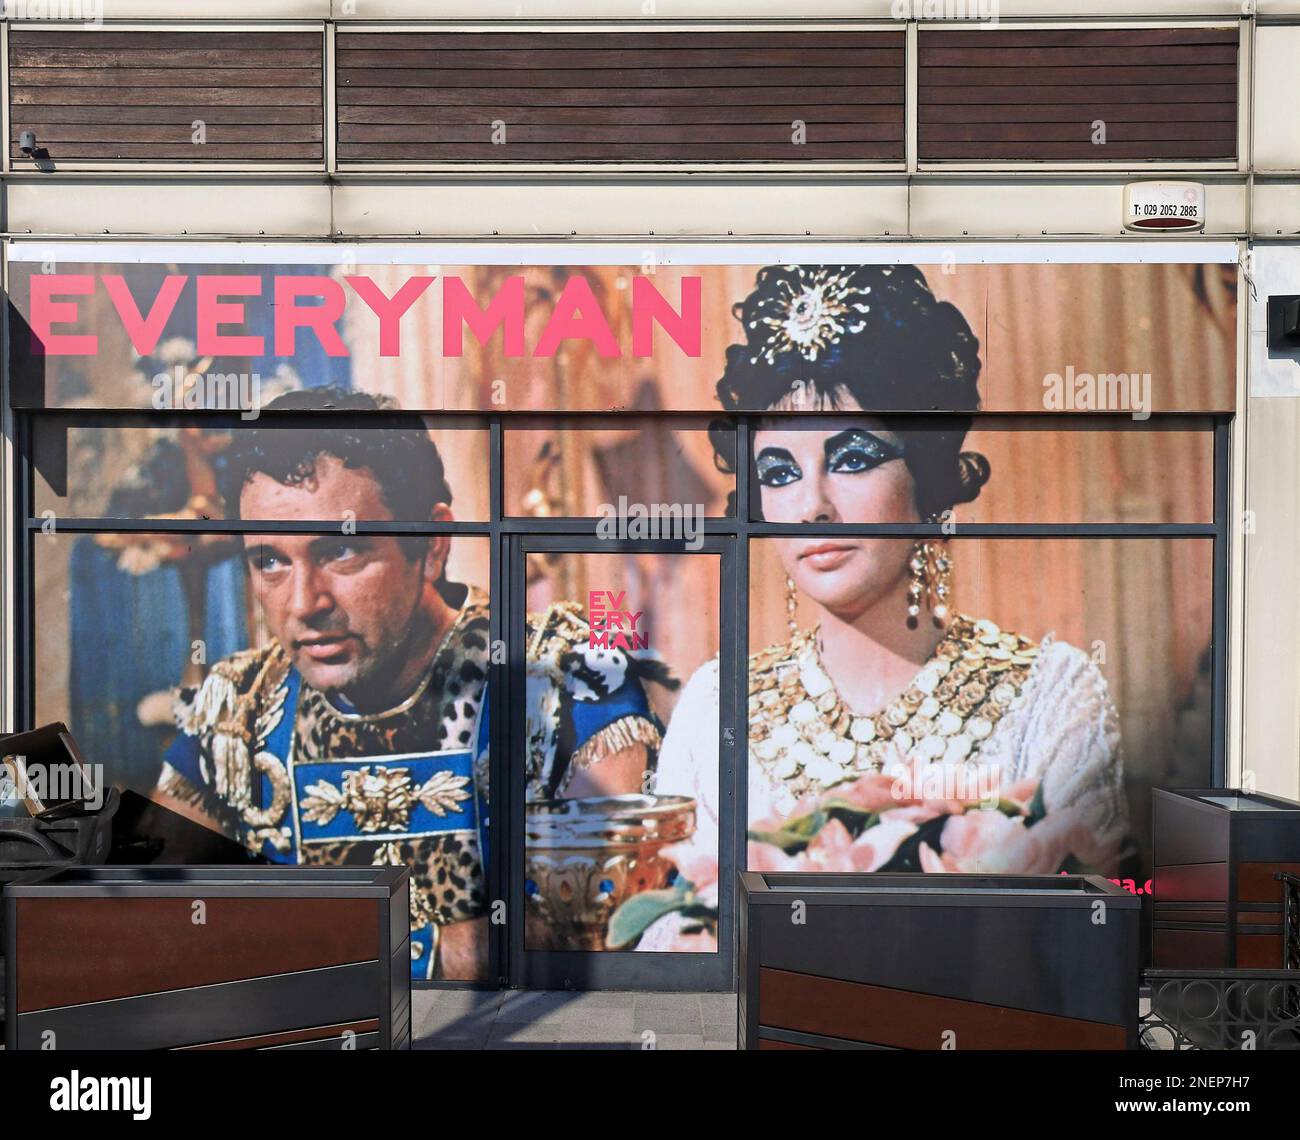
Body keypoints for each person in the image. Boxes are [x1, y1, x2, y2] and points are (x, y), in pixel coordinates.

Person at [641, 264, 1130, 950]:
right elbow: (664, 936)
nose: (812, 505)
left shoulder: (1050, 692)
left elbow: (1090, 942)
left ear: (925, 477)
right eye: (779, 473)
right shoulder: (717, 704)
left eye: (854, 458)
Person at [157, 388, 662, 979]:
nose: (303, 604)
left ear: (431, 541)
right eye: (269, 560)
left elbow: (612, 927)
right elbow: (163, 926)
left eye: (340, 552)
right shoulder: (237, 707)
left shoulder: (568, 679)